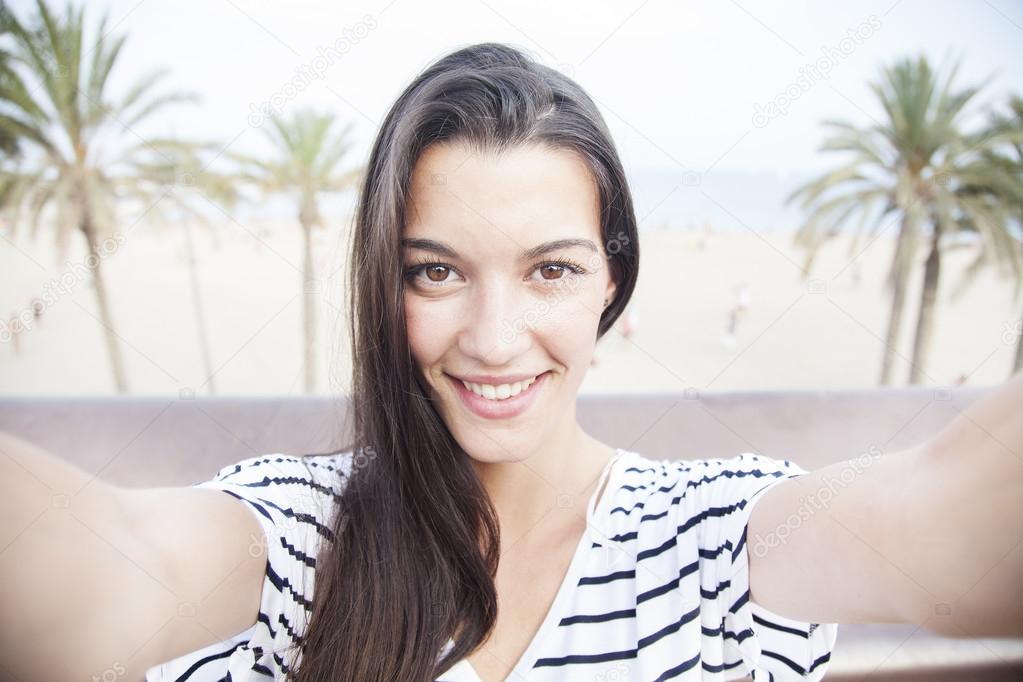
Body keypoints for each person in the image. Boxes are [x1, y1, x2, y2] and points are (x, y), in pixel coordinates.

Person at [2, 42, 1022, 682]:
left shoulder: (720, 543)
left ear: (611, 282)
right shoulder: (302, 537)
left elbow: (953, 519)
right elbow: (102, 565)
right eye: (437, 272)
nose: (492, 338)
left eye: (550, 270)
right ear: (383, 288)